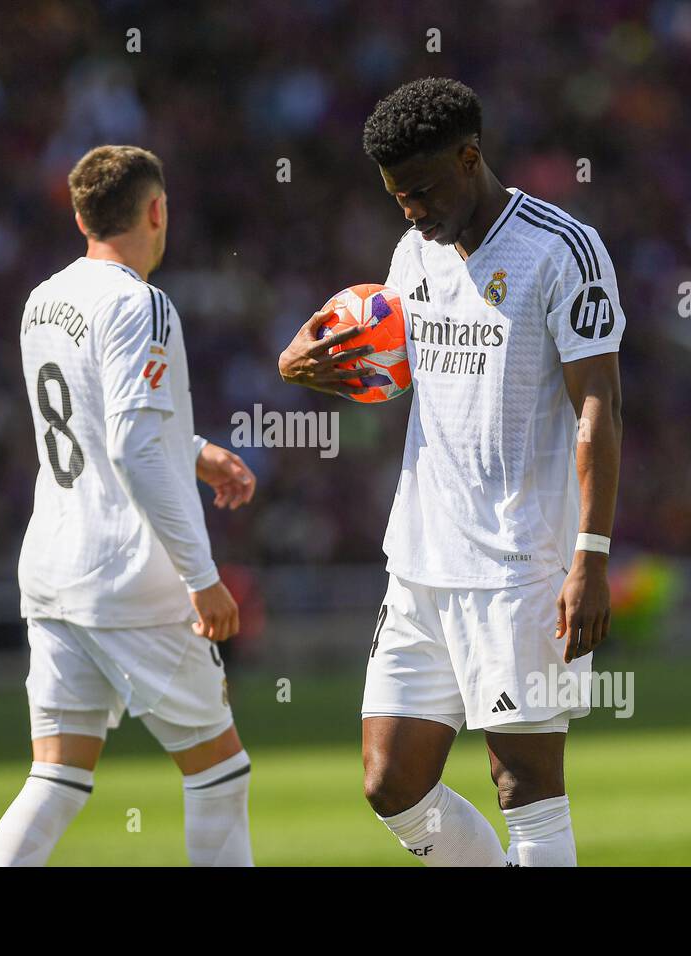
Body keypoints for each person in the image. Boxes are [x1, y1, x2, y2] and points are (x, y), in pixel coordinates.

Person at [279, 78, 625, 866]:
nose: (411, 211)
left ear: (470, 158)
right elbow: (400, 377)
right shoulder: (412, 254)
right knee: (389, 782)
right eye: (397, 197)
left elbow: (599, 407)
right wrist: (309, 364)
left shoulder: (562, 250)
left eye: (424, 190)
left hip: (520, 567)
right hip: (421, 563)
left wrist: (591, 556)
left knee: (525, 786)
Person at [0, 145, 256, 867]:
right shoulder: (141, 303)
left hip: (52, 569)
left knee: (57, 778)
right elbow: (132, 447)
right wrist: (201, 576)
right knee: (220, 776)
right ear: (157, 210)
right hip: (129, 576)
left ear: (78, 216)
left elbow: (96, 416)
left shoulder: (45, 298)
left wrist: (192, 449)